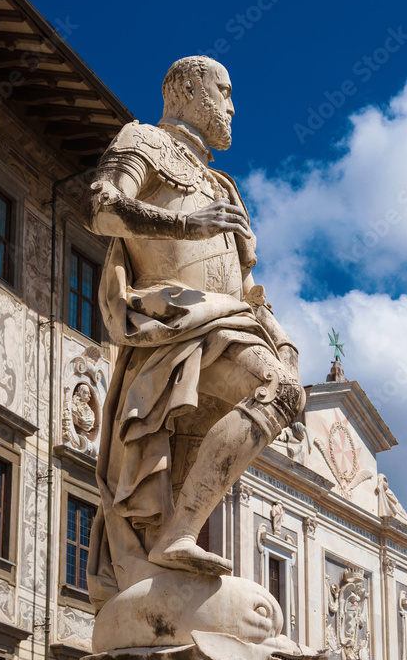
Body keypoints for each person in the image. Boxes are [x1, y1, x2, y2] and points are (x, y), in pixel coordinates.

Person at [83, 56, 304, 607]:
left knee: (277, 392)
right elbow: (102, 207)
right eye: (223, 91)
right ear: (185, 89)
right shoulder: (142, 141)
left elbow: (250, 289)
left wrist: (286, 345)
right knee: (272, 396)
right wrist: (185, 224)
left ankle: (176, 547)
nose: (232, 107)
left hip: (229, 322)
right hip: (177, 321)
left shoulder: (223, 185)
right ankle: (176, 542)